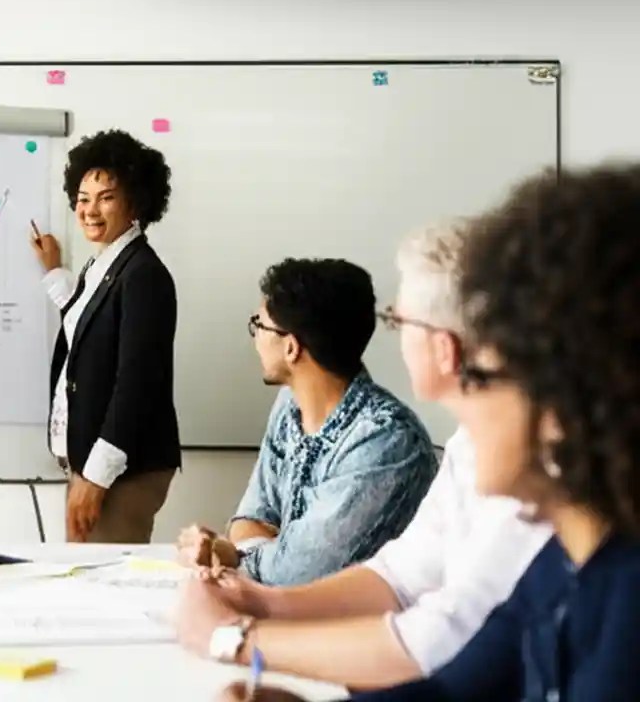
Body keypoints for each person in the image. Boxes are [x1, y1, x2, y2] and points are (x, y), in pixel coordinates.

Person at [221, 163, 640, 701]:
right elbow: (456, 688)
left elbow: (437, 641)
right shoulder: (561, 563)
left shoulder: (621, 595)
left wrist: (237, 635)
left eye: (483, 368)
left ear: (567, 390)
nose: (465, 382)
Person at [174, 221, 551, 690]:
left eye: (399, 321)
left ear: (444, 347)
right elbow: (399, 575)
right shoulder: (468, 442)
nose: (389, 333)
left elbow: (442, 634)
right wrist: (256, 600)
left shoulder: (405, 442)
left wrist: (233, 636)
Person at [194, 259, 437, 586]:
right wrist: (255, 551)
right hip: (290, 614)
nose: (255, 338)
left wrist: (235, 555)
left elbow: (298, 572)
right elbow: (251, 517)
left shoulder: (385, 441)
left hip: (363, 626)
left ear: (291, 347)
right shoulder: (289, 402)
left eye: (260, 325)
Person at [30, 129, 180, 543]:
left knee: (103, 592)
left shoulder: (143, 274)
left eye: (106, 197)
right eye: (82, 198)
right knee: (82, 585)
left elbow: (137, 383)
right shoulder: (106, 266)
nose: (90, 210)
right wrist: (54, 272)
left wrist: (95, 478)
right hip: (95, 465)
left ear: (135, 203)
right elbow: (86, 326)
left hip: (119, 472)